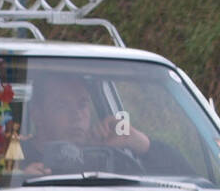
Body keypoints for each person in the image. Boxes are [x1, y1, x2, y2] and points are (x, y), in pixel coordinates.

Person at [20, 72, 149, 175]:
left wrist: (133, 138)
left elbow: (166, 171)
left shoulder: (105, 154)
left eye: (82, 105)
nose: (76, 115)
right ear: (37, 115)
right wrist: (20, 181)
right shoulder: (14, 156)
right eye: (62, 105)